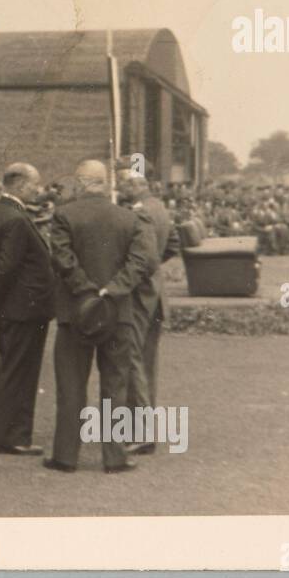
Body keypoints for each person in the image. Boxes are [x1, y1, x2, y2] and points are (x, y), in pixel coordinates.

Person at [45, 160, 156, 474]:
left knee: (70, 387)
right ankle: (115, 457)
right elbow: (141, 263)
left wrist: (86, 291)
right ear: (105, 184)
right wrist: (112, 290)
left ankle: (65, 456)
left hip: (75, 313)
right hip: (117, 312)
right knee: (115, 386)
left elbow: (62, 258)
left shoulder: (65, 215)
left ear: (81, 183)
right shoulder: (128, 218)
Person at [0, 163, 56, 455]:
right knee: (21, 372)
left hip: (9, 307)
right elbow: (6, 268)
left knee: (8, 369)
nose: (39, 189)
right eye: (35, 184)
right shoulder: (17, 219)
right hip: (26, 308)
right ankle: (13, 436)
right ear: (20, 185)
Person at [119, 172, 181, 454]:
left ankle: (141, 431)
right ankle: (141, 427)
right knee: (146, 362)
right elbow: (173, 246)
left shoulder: (137, 212)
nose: (119, 189)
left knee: (131, 358)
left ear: (136, 186)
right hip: (156, 295)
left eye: (123, 184)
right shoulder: (161, 208)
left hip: (138, 295)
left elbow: (139, 257)